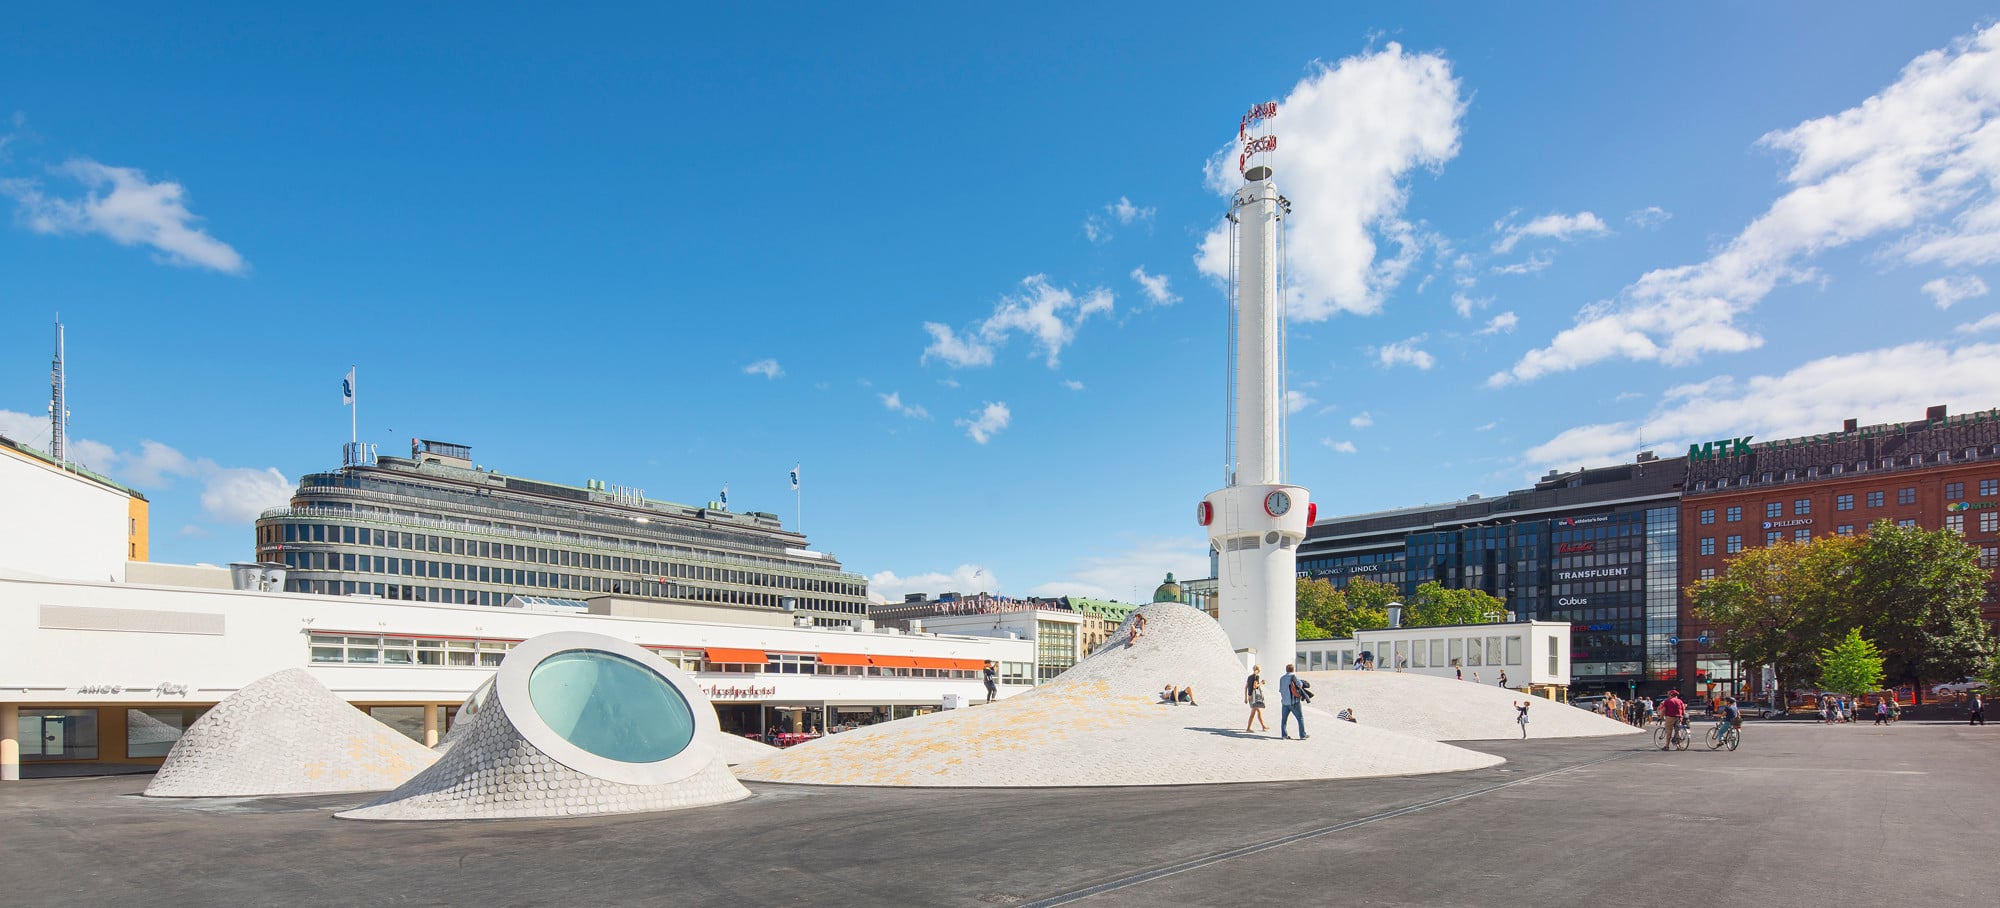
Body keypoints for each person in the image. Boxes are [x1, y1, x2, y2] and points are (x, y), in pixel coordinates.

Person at [1279, 663, 1309, 739]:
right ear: (1293, 669)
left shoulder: (1282, 678)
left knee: (1284, 720)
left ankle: (1284, 735)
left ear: (1286, 670)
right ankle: (1302, 735)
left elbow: (1280, 690)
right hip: (1294, 702)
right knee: (1300, 718)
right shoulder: (1293, 677)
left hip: (1284, 702)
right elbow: (1300, 685)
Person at [1245, 666, 1270, 733]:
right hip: (1255, 697)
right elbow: (1255, 686)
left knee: (1259, 711)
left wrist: (1246, 697)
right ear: (1258, 670)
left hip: (1250, 696)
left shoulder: (1249, 677)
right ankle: (1248, 728)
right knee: (1253, 713)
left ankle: (1263, 726)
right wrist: (1261, 683)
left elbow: (1246, 687)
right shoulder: (1256, 676)